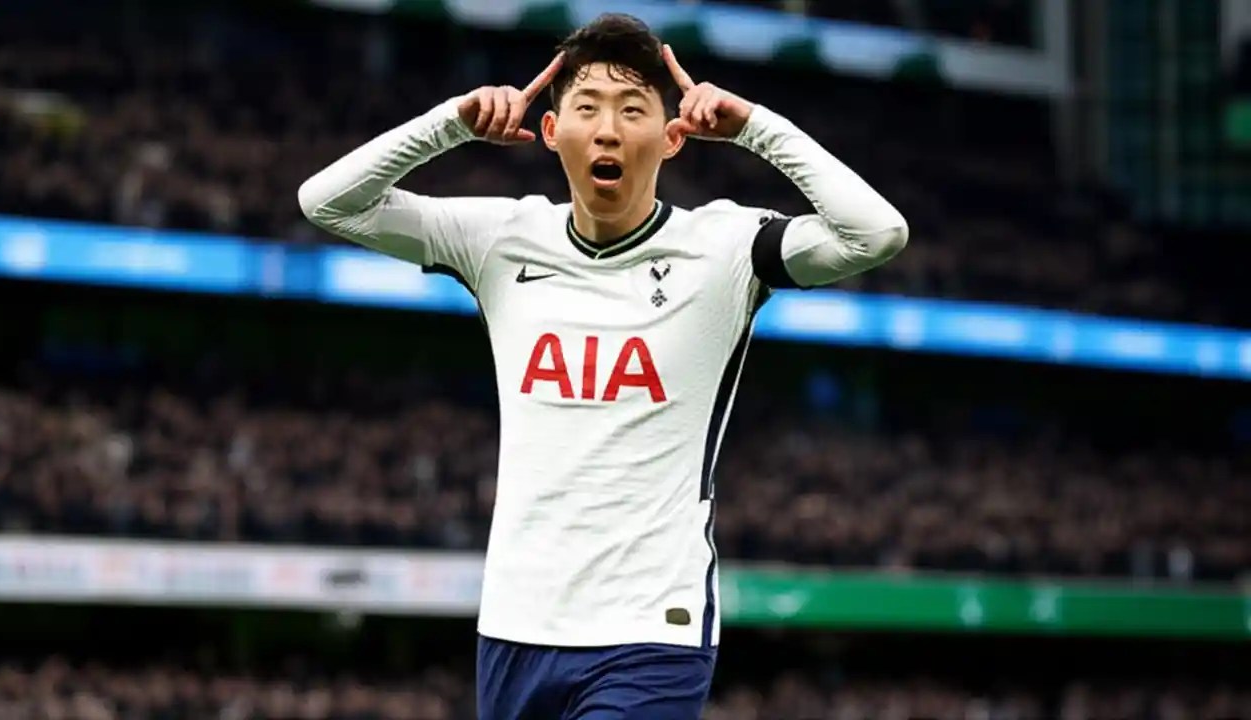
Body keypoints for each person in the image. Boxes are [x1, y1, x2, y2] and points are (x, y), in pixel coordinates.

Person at [298, 12, 907, 720]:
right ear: (552, 133)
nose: (608, 128)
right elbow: (327, 203)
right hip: (516, 625)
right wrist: (451, 124)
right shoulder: (500, 238)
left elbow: (876, 233)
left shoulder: (727, 247)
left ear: (672, 136)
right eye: (586, 107)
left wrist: (755, 128)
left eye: (632, 109)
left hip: (652, 630)